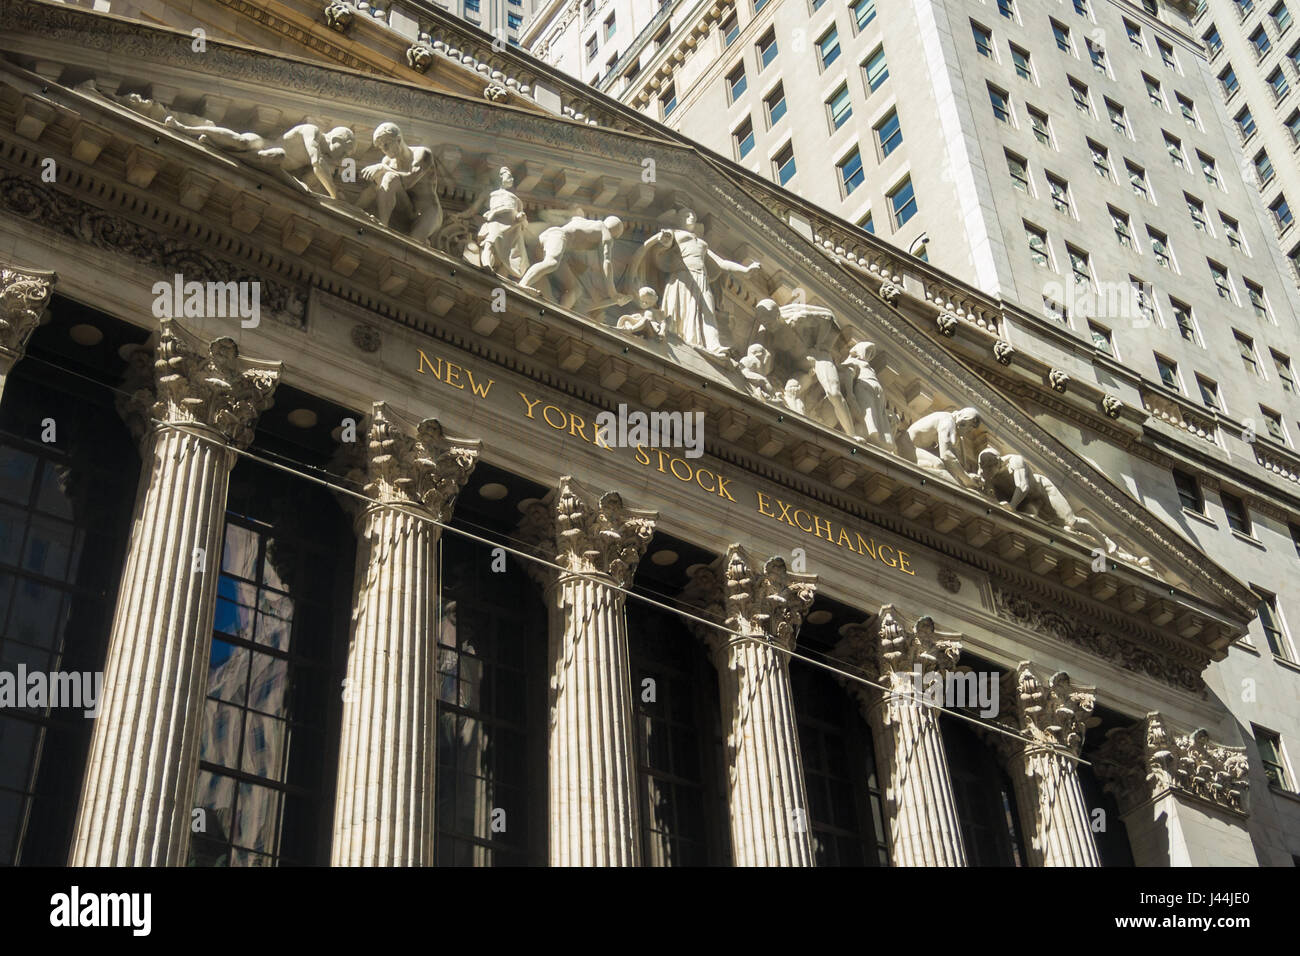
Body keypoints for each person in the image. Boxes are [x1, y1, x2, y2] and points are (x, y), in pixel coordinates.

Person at [641, 208, 759, 356]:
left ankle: (713, 345)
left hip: (701, 279)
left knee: (708, 311)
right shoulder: (676, 233)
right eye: (687, 215)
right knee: (681, 308)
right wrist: (664, 240)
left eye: (693, 215)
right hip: (683, 277)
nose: (692, 217)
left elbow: (721, 263)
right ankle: (676, 338)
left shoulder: (701, 243)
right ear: (678, 219)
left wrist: (745, 271)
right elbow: (664, 242)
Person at [164, 117, 355, 199]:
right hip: (264, 146)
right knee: (243, 142)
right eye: (345, 151)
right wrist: (335, 194)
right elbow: (316, 162)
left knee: (300, 186)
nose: (343, 158)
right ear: (337, 139)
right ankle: (184, 128)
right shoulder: (312, 131)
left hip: (273, 166)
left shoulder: (326, 161)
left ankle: (215, 145)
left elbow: (309, 180)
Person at [520, 214, 630, 311]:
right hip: (557, 237)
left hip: (551, 240)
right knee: (552, 263)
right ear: (615, 232)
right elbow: (606, 263)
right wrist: (613, 294)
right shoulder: (605, 233)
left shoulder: (581, 220)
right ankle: (523, 285)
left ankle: (559, 313)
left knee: (575, 289)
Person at [358, 122, 442, 242]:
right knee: (388, 177)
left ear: (398, 140)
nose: (384, 150)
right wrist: (356, 207)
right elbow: (374, 189)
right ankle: (383, 225)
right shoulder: (387, 162)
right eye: (381, 147)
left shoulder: (422, 154)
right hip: (406, 210)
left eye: (386, 144)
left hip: (427, 211)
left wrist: (382, 168)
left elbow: (408, 181)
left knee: (415, 240)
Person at [462, 166, 529, 279]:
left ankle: (503, 276)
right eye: (509, 176)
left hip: (512, 228)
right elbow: (473, 210)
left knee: (509, 253)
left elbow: (524, 220)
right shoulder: (490, 193)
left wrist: (522, 217)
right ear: (500, 177)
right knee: (490, 242)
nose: (512, 179)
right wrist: (460, 216)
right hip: (496, 222)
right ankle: (487, 265)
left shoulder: (516, 199)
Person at [905, 408, 981, 488]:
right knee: (938, 465)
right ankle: (921, 483)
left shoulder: (951, 423)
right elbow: (946, 455)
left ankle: (923, 483)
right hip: (907, 446)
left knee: (947, 470)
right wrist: (966, 478)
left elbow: (953, 460)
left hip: (916, 449)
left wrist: (965, 476)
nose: (967, 432)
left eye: (969, 430)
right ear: (961, 420)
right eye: (967, 429)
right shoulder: (947, 422)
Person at [842, 340, 893, 448]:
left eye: (871, 353)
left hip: (876, 392)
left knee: (878, 414)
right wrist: (850, 393)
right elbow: (847, 373)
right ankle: (872, 437)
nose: (869, 354)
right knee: (868, 412)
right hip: (863, 387)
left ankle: (882, 439)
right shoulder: (853, 361)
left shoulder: (870, 367)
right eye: (867, 351)